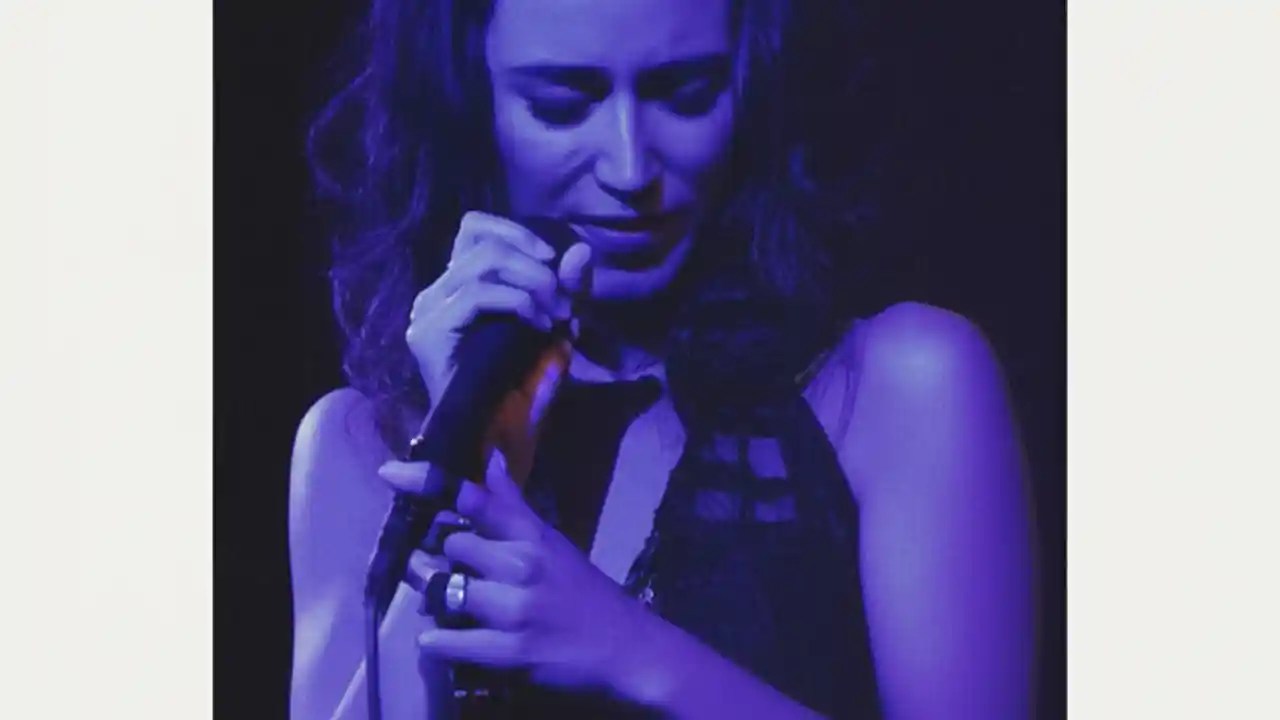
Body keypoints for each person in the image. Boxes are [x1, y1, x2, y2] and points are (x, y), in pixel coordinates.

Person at [289, 0, 1037, 717]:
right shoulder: (356, 447)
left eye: (686, 94)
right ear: (467, 107)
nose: (629, 167)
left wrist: (630, 651)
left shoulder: (900, 387)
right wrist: (468, 445)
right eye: (562, 105)